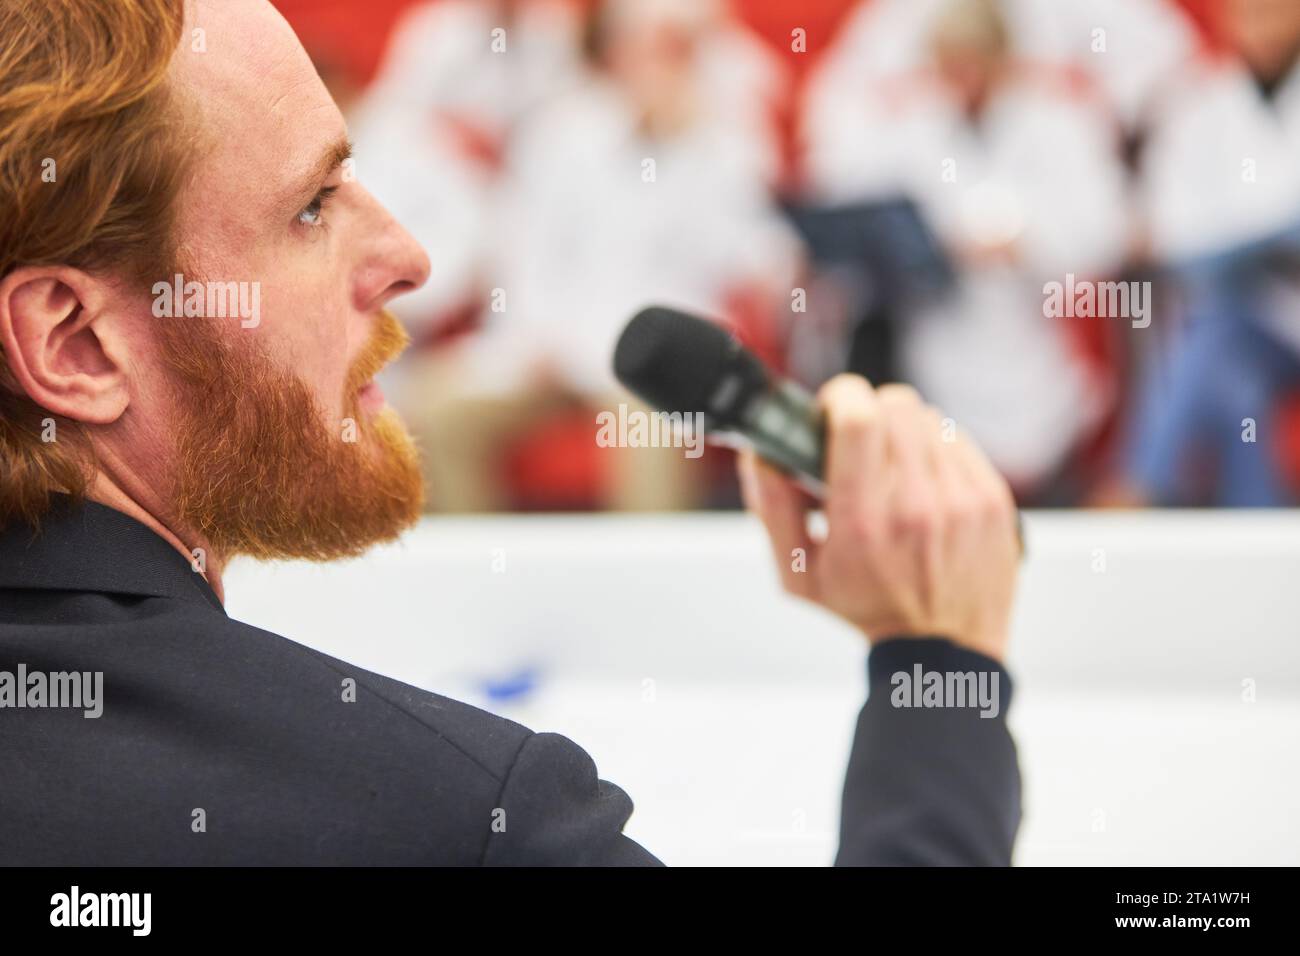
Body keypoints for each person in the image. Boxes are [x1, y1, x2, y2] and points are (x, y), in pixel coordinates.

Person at [0, 0, 1021, 865]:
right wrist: (939, 669)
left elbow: (747, 259)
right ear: (77, 343)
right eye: (312, 206)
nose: (407, 254)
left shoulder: (716, 139)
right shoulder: (459, 814)